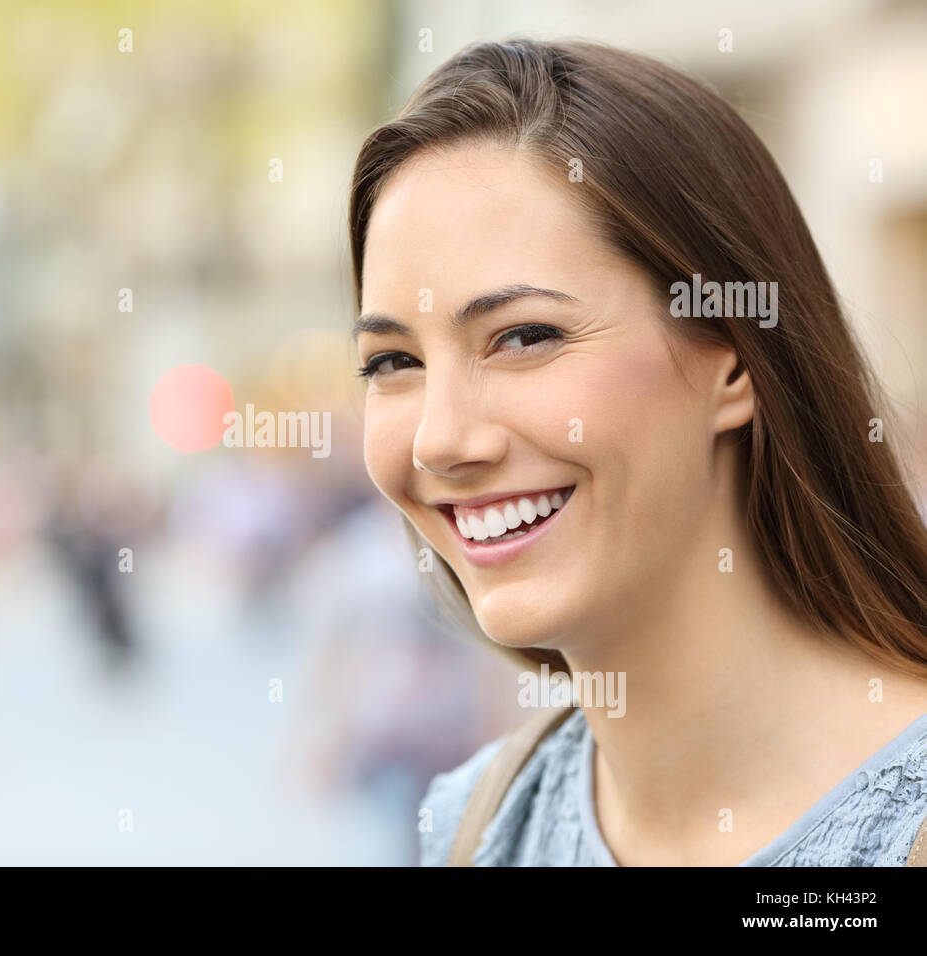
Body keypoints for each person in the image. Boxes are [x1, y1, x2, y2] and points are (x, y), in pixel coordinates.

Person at [346, 38, 927, 866]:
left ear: (731, 355)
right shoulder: (477, 825)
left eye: (524, 336)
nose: (442, 439)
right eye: (392, 362)